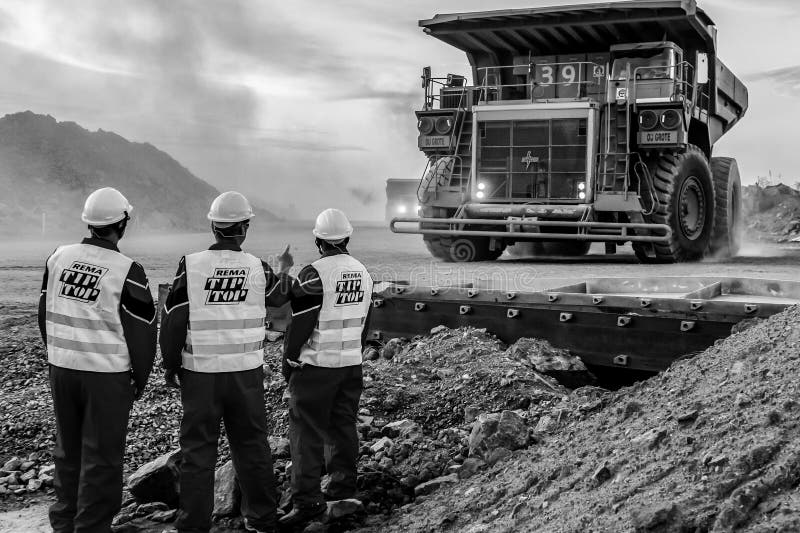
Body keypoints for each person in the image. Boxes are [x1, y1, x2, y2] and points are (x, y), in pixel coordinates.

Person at [159, 191, 293, 533]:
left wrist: (170, 365)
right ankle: (262, 518)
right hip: (246, 373)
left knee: (198, 451)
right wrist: (284, 268)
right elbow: (279, 298)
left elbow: (174, 320)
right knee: (252, 446)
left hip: (201, 373)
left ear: (214, 226)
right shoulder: (257, 267)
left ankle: (193, 525)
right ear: (244, 228)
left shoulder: (191, 265)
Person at [39, 187, 157, 533]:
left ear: (89, 223)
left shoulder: (58, 257)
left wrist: (57, 354)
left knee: (68, 450)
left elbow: (43, 312)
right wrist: (140, 377)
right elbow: (142, 333)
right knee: (102, 458)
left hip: (62, 368)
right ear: (123, 223)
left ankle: (64, 523)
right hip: (105, 376)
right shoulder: (127, 269)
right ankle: (91, 527)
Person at [279, 208, 374, 528]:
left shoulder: (313, 274)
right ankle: (342, 489)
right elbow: (364, 324)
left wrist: (288, 361)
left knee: (305, 433)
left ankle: (307, 501)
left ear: (318, 239)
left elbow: (299, 325)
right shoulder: (363, 273)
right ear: (346, 237)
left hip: (316, 366)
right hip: (350, 364)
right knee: (343, 427)